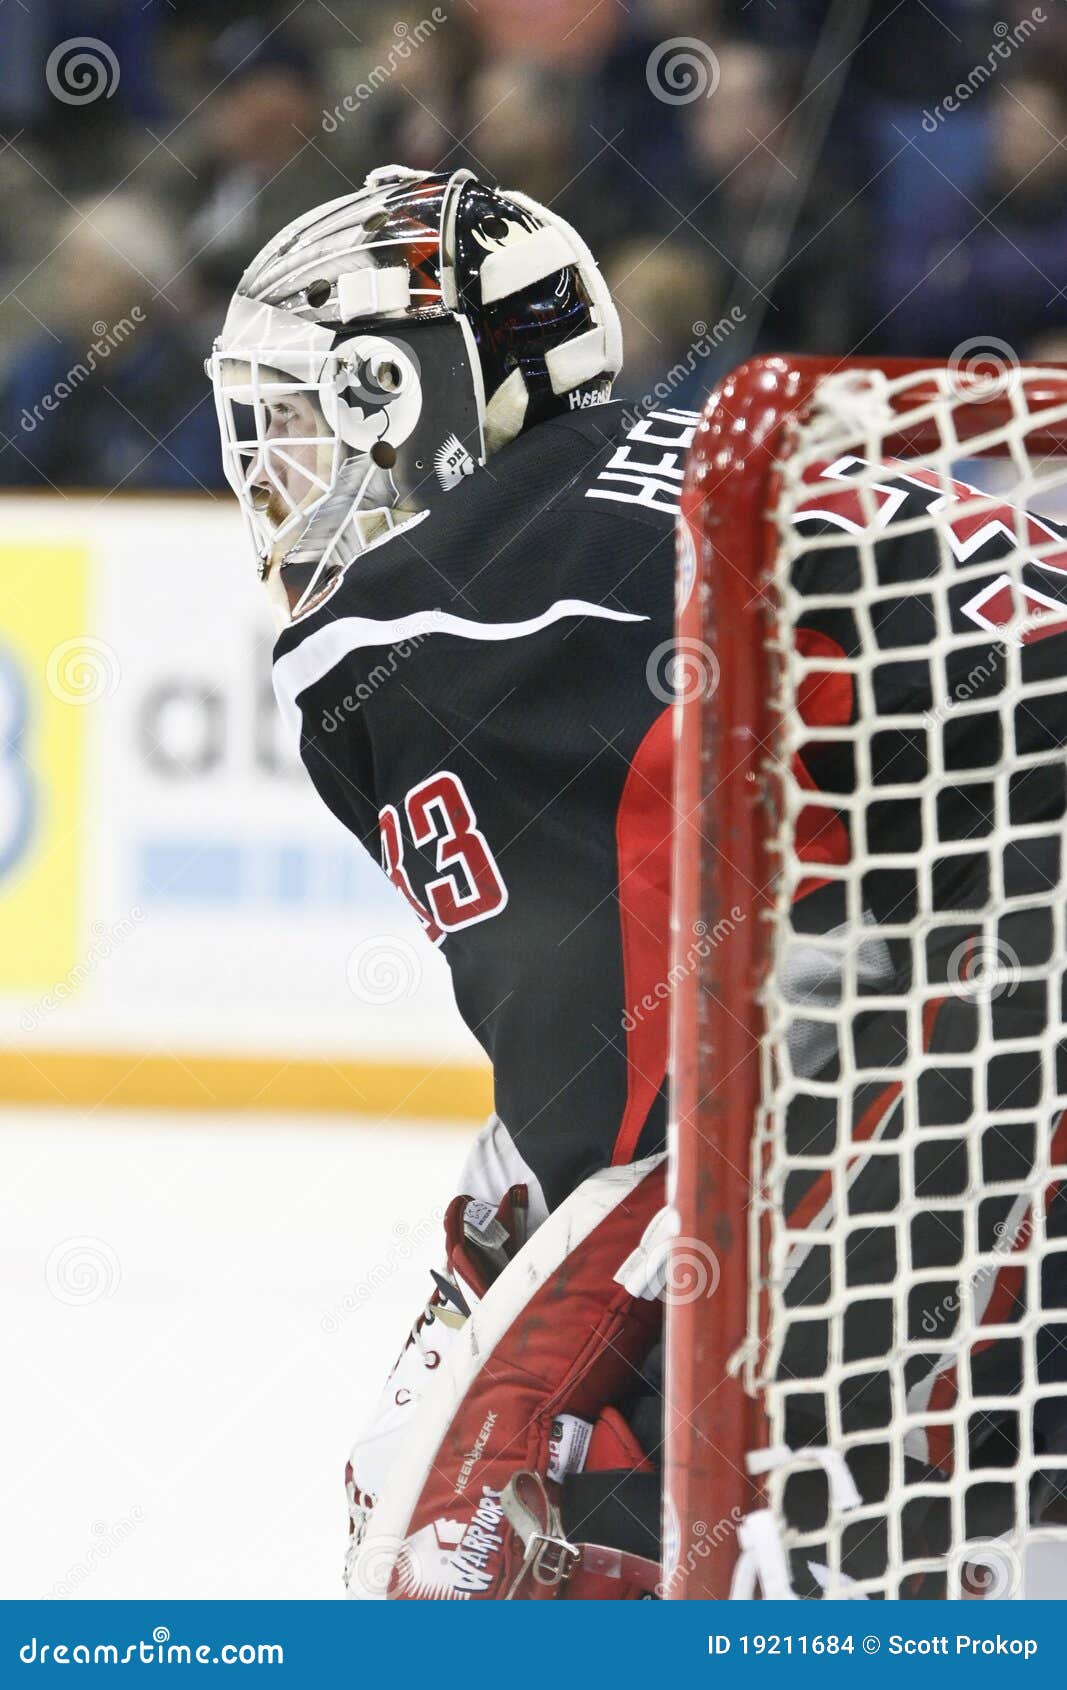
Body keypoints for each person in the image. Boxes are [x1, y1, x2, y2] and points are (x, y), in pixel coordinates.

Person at [208, 164, 694, 1599]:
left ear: (398, 397)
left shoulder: (435, 613)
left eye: (298, 421)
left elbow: (620, 1103)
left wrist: (516, 1399)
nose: (276, 477)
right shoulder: (686, 478)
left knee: (476, 1543)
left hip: (968, 1156)